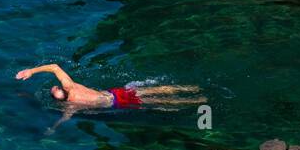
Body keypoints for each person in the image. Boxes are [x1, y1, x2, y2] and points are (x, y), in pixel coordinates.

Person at [15, 63, 204, 112]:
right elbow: (55, 67)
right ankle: (192, 91)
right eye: (55, 88)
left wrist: (53, 128)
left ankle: (194, 99)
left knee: (155, 101)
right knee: (155, 94)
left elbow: (66, 116)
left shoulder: (70, 103)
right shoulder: (71, 87)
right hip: (115, 96)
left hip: (113, 102)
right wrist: (32, 71)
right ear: (62, 90)